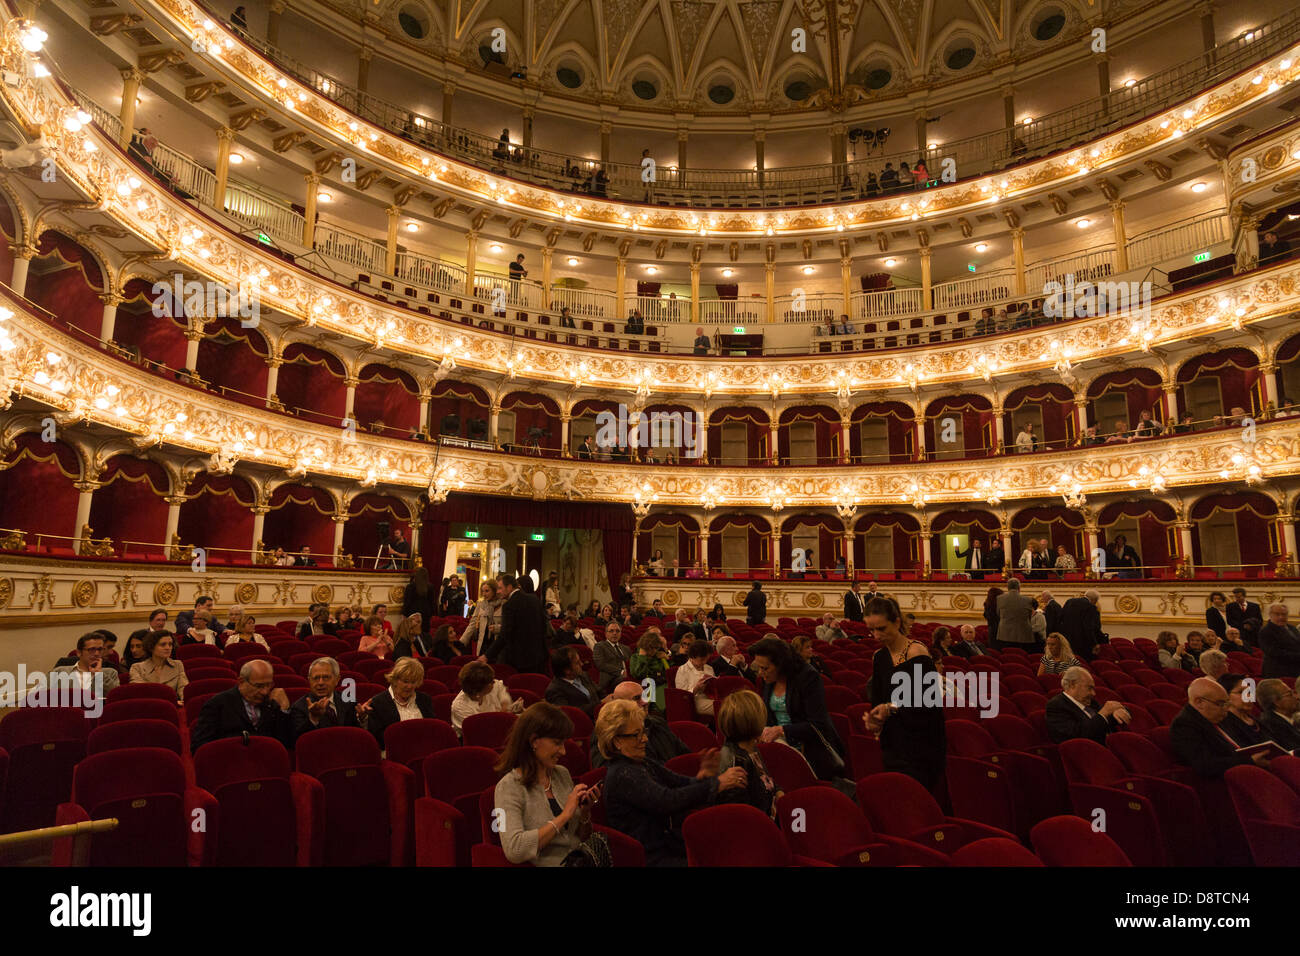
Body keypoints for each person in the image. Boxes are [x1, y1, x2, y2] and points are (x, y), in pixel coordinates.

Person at [598, 698, 745, 866]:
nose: (645, 739)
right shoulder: (622, 774)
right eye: (636, 735)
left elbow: (678, 782)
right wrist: (716, 784)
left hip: (669, 844)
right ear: (617, 741)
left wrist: (702, 778)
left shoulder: (640, 762)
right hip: (650, 857)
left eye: (643, 731)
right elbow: (667, 801)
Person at [493, 703, 599, 866]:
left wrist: (584, 814)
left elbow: (580, 837)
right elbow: (514, 850)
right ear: (534, 741)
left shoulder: (561, 774)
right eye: (557, 743)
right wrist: (565, 815)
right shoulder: (507, 787)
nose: (563, 751)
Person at [861, 596, 945, 791]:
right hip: (893, 745)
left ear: (897, 622)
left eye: (881, 629)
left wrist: (890, 708)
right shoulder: (879, 657)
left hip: (922, 746)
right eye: (871, 630)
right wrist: (875, 719)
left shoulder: (918, 654)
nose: (876, 636)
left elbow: (929, 706)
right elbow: (878, 701)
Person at [751, 635, 846, 782]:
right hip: (780, 744)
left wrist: (781, 730)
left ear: (781, 665)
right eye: (759, 668)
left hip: (809, 748)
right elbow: (768, 717)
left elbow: (818, 724)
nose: (760, 673)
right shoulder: (768, 680)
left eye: (765, 668)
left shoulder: (808, 677)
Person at [1170, 677, 1272, 777]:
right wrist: (1250, 761)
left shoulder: (1217, 717)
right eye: (1220, 704)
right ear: (1199, 702)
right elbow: (1205, 765)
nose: (1226, 709)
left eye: (1227, 703)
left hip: (1244, 770)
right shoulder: (1184, 725)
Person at [190, 659, 291, 752]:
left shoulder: (272, 703)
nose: (265, 691)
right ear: (241, 682)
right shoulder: (217, 705)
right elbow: (199, 747)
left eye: (268, 685)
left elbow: (286, 743)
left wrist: (284, 709)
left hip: (265, 764)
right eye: (259, 686)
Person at [589, 681, 689, 769]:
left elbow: (684, 753)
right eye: (637, 698)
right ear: (620, 705)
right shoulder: (606, 733)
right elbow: (607, 774)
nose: (645, 702)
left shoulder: (658, 722)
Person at [716, 690, 781, 819]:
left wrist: (778, 791)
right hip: (758, 827)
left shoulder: (752, 747)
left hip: (771, 814)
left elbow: (765, 779)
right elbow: (741, 815)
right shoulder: (735, 761)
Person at [289, 657, 369, 744]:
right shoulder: (299, 707)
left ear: (337, 680)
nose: (320, 683)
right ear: (309, 680)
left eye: (326, 677)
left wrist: (362, 719)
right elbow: (298, 741)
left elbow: (358, 736)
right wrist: (313, 719)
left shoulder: (348, 701)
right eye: (316, 678)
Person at [483, 574, 549, 674]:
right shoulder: (534, 599)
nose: (498, 592)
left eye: (500, 588)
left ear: (509, 587)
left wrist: (487, 656)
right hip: (539, 657)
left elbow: (505, 635)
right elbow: (544, 626)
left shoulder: (509, 605)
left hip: (520, 660)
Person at [1045, 666, 1130, 744]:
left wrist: (1118, 710)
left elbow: (1105, 720)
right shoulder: (1056, 706)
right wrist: (1103, 713)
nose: (1093, 693)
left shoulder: (1089, 701)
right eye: (1089, 688)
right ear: (1072, 685)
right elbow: (1077, 735)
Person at [365, 657, 436, 748]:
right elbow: (378, 739)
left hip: (424, 748)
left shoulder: (424, 699)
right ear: (395, 680)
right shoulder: (378, 702)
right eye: (405, 681)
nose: (409, 686)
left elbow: (432, 729)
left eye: (413, 682)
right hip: (393, 751)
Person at [451, 660, 522, 736]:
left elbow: (505, 700)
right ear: (480, 689)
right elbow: (482, 730)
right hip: (478, 739)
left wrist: (512, 708)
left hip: (500, 731)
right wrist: (504, 715)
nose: (494, 682)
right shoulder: (460, 707)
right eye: (491, 682)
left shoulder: (494, 686)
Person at [544, 647, 606, 718]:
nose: (581, 664)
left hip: (602, 714)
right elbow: (571, 714)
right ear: (567, 670)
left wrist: (610, 698)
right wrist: (600, 704)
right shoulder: (554, 690)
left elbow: (600, 692)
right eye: (577, 663)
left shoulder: (583, 675)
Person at [52, 632, 120, 696]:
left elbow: (115, 696)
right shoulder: (59, 671)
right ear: (79, 652)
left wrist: (99, 674)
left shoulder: (111, 673)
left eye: (100, 649)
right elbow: (48, 698)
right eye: (92, 649)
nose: (97, 653)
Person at [130, 632, 189, 697]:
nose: (168, 648)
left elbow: (183, 688)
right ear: (151, 647)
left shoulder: (178, 665)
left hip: (172, 704)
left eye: (170, 644)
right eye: (163, 644)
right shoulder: (137, 667)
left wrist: (183, 699)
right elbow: (140, 691)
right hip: (148, 704)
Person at [1058, 589, 1106, 661]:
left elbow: (1060, 619)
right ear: (1094, 600)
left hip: (1067, 640)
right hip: (1082, 644)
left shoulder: (1069, 601)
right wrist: (1094, 643)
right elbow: (1089, 628)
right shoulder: (1091, 607)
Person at [675, 640, 716, 717]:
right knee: (720, 706)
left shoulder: (709, 668)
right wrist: (695, 689)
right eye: (702, 659)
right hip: (694, 700)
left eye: (706, 659)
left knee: (728, 702)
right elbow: (681, 696)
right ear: (693, 656)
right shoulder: (683, 670)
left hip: (710, 696)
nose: (704, 662)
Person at [630, 632, 670, 712]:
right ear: (645, 646)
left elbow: (668, 673)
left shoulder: (659, 657)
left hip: (662, 686)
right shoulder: (635, 657)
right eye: (651, 648)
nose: (654, 651)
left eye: (656, 648)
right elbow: (638, 674)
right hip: (646, 687)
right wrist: (642, 658)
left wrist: (666, 658)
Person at [461, 581, 503, 657]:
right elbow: (472, 624)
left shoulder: (503, 604)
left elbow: (508, 626)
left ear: (494, 591)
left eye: (487, 591)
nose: (484, 594)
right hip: (483, 643)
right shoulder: (480, 605)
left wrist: (497, 628)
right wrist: (461, 642)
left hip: (497, 643)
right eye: (482, 591)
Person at [1259, 603, 1300, 679]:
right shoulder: (1265, 631)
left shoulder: (1292, 628)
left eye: (1284, 614)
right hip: (1278, 672)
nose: (1281, 617)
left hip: (1295, 669)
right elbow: (1275, 652)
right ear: (1270, 615)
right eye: (1277, 614)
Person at [1257, 679, 1300, 751]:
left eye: (1294, 692)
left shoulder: (1294, 718)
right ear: (1276, 702)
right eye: (1290, 694)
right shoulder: (1272, 725)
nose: (1297, 697)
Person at [995, 577, 1036, 651]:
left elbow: (998, 614)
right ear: (1019, 588)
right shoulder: (1028, 600)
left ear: (1008, 587)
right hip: (1023, 634)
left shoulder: (999, 598)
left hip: (1005, 633)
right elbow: (1029, 616)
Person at [593, 621, 633, 693]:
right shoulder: (599, 646)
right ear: (606, 634)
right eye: (611, 631)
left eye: (617, 631)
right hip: (611, 679)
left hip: (627, 677)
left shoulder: (626, 648)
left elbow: (631, 663)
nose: (614, 633)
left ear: (620, 633)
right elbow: (601, 664)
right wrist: (621, 672)